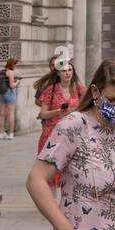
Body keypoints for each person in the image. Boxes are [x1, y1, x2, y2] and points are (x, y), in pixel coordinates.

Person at [26, 58, 115, 230]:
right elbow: (35, 180)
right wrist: (65, 229)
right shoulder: (74, 125)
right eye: (112, 99)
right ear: (96, 92)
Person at [35, 59, 85, 189]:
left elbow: (88, 110)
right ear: (58, 73)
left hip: (74, 136)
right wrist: (58, 111)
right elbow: (43, 114)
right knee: (50, 175)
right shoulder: (50, 90)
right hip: (51, 136)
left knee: (71, 173)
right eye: (64, 71)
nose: (67, 73)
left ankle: (67, 206)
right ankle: (52, 206)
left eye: (70, 70)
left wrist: (73, 111)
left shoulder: (80, 89)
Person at [0, 57, 20, 139]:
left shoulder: (2, 71)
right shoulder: (10, 72)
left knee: (2, 114)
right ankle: (11, 134)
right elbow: (11, 86)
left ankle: (1, 133)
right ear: (12, 64)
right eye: (15, 64)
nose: (15, 66)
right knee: (11, 114)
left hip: (3, 93)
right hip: (9, 93)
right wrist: (17, 82)